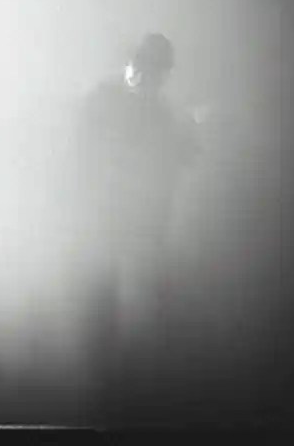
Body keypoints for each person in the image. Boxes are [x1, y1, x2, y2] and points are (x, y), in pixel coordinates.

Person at [74, 33, 198, 424]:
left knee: (146, 305)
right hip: (105, 225)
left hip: (141, 227)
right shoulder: (106, 102)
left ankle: (139, 391)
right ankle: (107, 388)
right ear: (130, 63)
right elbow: (82, 154)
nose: (146, 76)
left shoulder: (161, 114)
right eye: (141, 66)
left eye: (154, 70)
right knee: (104, 305)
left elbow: (183, 159)